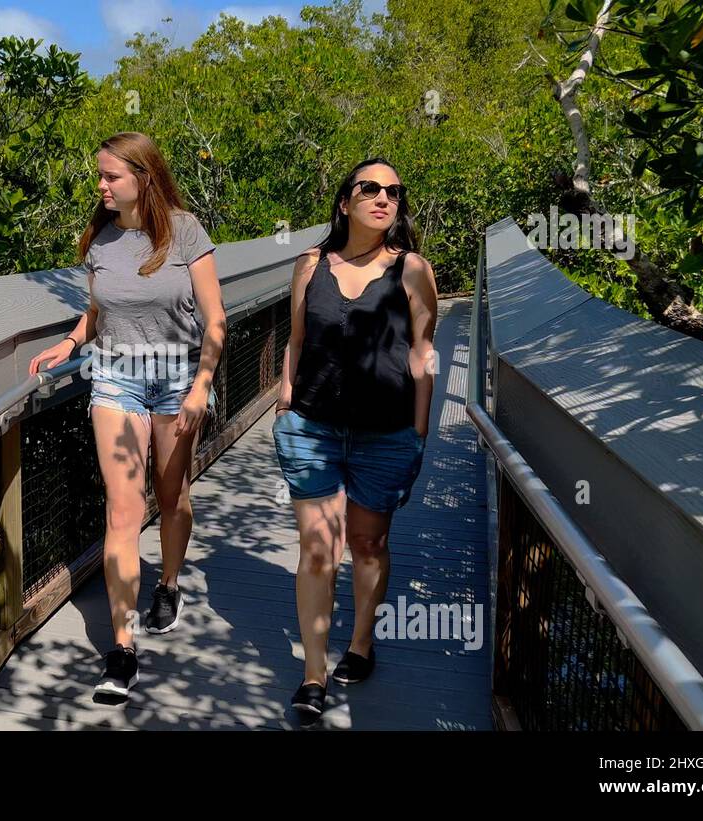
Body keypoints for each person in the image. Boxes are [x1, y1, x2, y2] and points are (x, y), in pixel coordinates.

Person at [28, 132, 225, 701]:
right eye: (101, 176)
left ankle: (167, 582)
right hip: (116, 377)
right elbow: (100, 309)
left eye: (111, 176)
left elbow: (215, 321)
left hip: (179, 378)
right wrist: (71, 342)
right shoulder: (100, 240)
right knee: (122, 510)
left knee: (172, 497)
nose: (101, 186)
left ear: (144, 176)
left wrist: (199, 390)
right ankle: (122, 648)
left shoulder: (185, 232)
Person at [271, 157, 438, 719]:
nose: (383, 198)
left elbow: (422, 354)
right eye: (370, 188)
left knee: (367, 545)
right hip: (312, 428)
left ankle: (362, 641)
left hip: (385, 434)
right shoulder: (309, 264)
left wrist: (418, 433)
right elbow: (295, 337)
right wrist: (287, 395)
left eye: (393, 191)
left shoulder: (412, 269)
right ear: (344, 202)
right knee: (318, 551)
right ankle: (313, 676)